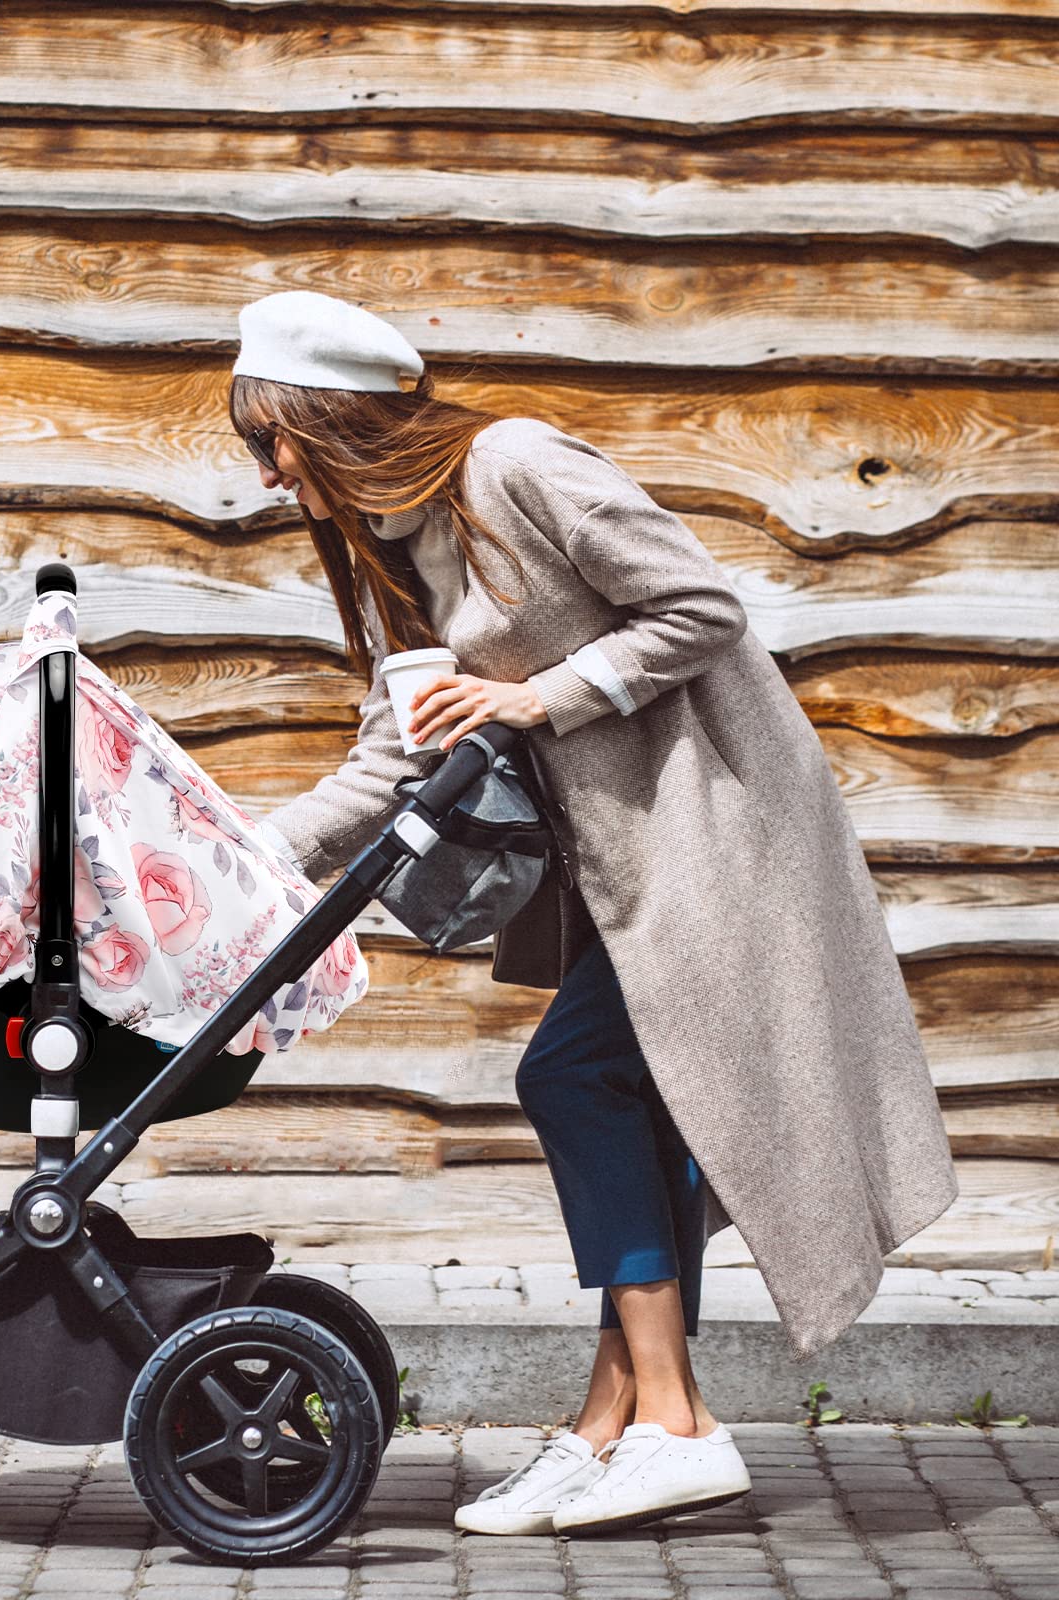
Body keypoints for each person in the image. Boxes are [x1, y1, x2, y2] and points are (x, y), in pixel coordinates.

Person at [230, 289, 958, 1537]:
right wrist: (231, 856)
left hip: (716, 840)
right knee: (645, 1109)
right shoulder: (401, 553)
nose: (265, 473)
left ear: (326, 416)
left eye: (270, 440)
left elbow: (699, 608)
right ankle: (605, 1426)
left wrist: (541, 699)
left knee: (572, 1077)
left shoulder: (512, 465)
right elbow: (387, 760)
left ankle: (673, 1423)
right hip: (632, 880)